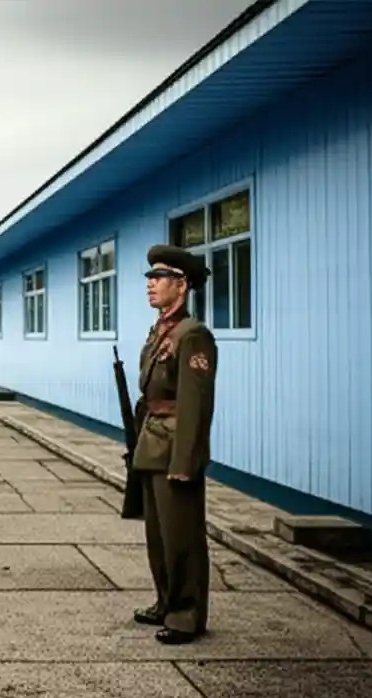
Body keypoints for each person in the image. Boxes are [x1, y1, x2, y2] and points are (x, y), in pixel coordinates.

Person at [129, 244, 217, 645]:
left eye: (159, 277)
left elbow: (195, 405)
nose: (150, 284)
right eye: (150, 277)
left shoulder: (193, 335)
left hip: (174, 448)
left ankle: (186, 615)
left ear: (181, 285)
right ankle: (165, 601)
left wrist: (186, 461)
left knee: (182, 536)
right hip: (153, 443)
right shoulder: (160, 331)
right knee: (159, 535)